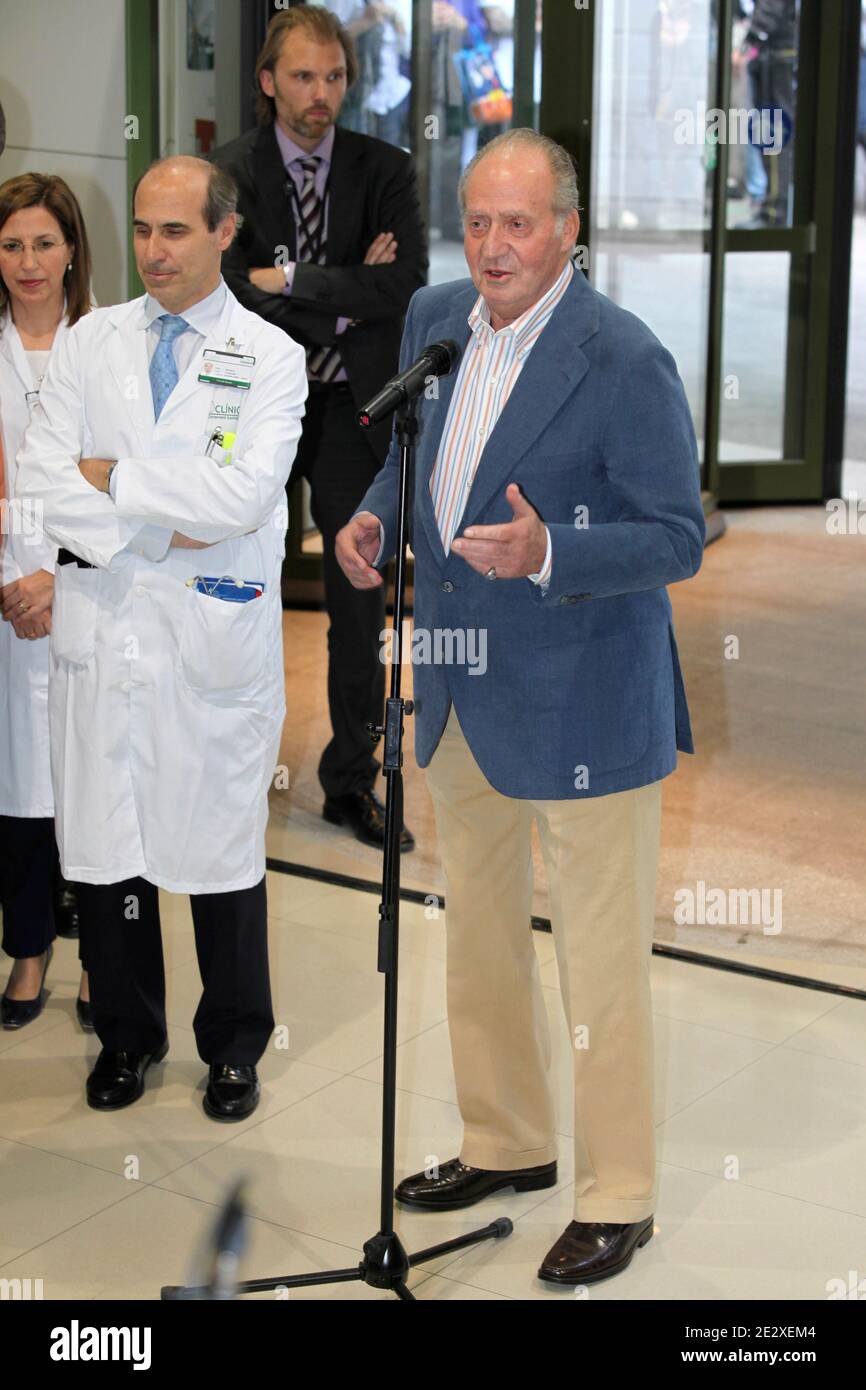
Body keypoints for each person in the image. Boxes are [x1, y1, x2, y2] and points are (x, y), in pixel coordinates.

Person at [336, 129, 705, 1286]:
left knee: (596, 966)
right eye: (479, 220)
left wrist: (553, 550)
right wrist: (370, 515)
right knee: (478, 939)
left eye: (519, 223)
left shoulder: (621, 356)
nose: (493, 245)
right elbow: (415, 458)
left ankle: (618, 1193)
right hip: (454, 689)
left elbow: (675, 536)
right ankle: (505, 1139)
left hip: (585, 702)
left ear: (567, 230)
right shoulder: (434, 315)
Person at [15, 155, 307, 1120]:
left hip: (208, 640)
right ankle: (128, 1038)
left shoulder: (270, 356)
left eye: (176, 230)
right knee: (110, 854)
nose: (153, 250)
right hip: (105, 636)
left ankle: (232, 1047)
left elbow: (241, 497)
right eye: (142, 229)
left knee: (220, 850)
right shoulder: (91, 342)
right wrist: (149, 514)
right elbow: (48, 478)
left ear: (226, 233)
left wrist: (117, 485)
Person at [212, 5, 427, 852]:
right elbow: (226, 291)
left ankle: (351, 782)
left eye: (334, 77)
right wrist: (344, 301)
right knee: (231, 587)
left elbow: (404, 285)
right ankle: (228, 772)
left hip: (351, 409)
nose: (322, 94)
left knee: (358, 596)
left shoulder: (385, 170)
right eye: (303, 76)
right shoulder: (226, 171)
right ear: (268, 81)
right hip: (257, 406)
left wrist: (296, 280)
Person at [0, 172, 92, 1031]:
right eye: (11, 244)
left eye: (44, 243)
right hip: (3, 600)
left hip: (86, 590)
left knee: (94, 785)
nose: (29, 262)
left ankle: (104, 959)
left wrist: (59, 580)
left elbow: (114, 489)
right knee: (21, 790)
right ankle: (28, 952)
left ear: (72, 251)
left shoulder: (103, 347)